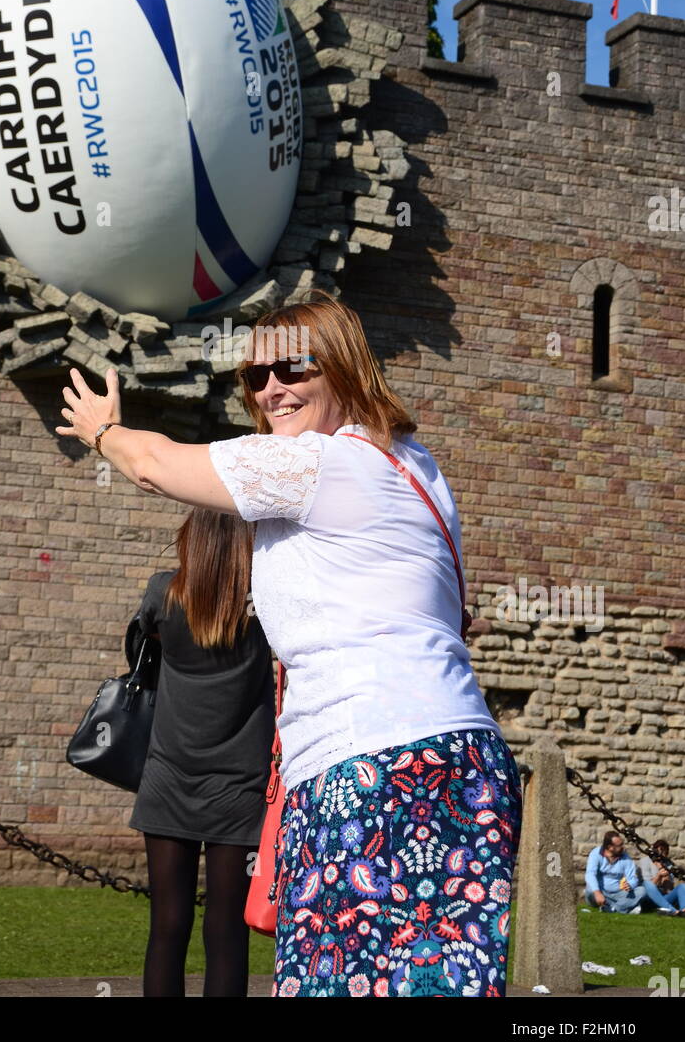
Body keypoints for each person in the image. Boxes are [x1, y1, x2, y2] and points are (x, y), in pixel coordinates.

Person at [57, 288, 523, 998]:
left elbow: (153, 464)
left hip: (374, 766)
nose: (272, 389)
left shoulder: (318, 462)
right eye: (255, 377)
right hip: (460, 755)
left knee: (336, 982)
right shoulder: (417, 467)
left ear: (340, 367)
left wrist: (101, 430)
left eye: (293, 370)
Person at [127, 508, 275, 996]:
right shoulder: (265, 607)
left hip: (168, 778)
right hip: (241, 789)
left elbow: (137, 652)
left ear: (190, 540)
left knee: (167, 926)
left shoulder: (164, 594)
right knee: (227, 931)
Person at [584, 831, 645, 912]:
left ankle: (613, 908)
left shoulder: (625, 858)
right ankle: (625, 906)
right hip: (600, 892)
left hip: (618, 893)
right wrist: (597, 893)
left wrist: (630, 885)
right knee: (590, 890)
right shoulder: (596, 854)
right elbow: (590, 874)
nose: (623, 847)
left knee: (642, 891)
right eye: (620, 845)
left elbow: (633, 878)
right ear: (610, 847)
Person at [636, 839, 685, 915]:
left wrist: (667, 878)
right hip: (649, 898)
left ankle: (684, 910)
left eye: (665, 852)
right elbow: (648, 887)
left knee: (682, 886)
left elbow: (668, 890)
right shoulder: (645, 861)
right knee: (647, 884)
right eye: (660, 850)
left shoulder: (668, 864)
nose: (662, 854)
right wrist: (659, 876)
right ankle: (672, 910)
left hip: (663, 898)